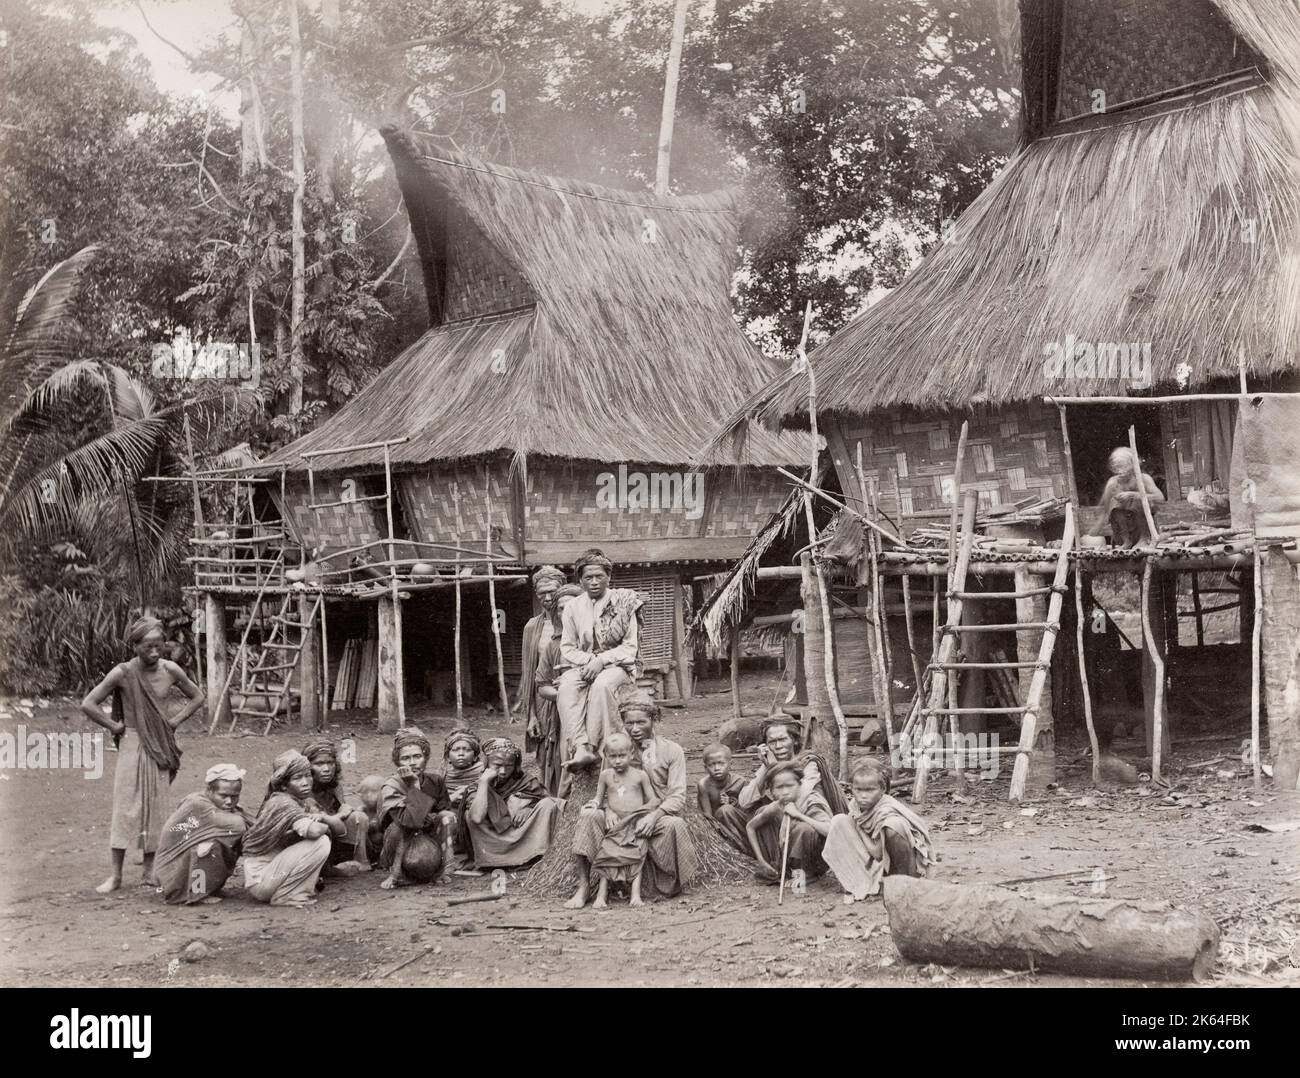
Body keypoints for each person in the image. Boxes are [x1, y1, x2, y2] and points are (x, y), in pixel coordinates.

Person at [81, 615, 205, 893]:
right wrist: (114, 725)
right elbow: (88, 703)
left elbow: (197, 696)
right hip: (132, 743)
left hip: (159, 743)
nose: (153, 651)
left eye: (158, 645)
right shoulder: (123, 672)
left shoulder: (171, 670)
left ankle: (149, 872)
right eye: (147, 646)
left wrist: (173, 722)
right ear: (134, 646)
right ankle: (116, 876)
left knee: (156, 807)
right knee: (125, 807)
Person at [567, 691, 698, 908]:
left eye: (641, 722)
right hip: (618, 816)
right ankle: (583, 887)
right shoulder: (617, 748)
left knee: (676, 825)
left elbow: (677, 795)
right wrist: (607, 809)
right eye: (630, 723)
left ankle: (660, 885)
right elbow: (608, 785)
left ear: (654, 720)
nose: (635, 729)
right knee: (589, 815)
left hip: (652, 814)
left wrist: (654, 816)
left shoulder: (671, 751)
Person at [557, 549, 643, 770]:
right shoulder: (572, 608)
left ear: (609, 577)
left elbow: (630, 647)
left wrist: (601, 661)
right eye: (588, 578)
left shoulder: (624, 602)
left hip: (619, 664)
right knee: (566, 686)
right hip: (585, 663)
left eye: (599, 576)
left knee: (602, 685)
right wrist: (590, 661)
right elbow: (568, 647)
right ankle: (581, 746)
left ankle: (599, 747)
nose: (594, 582)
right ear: (580, 580)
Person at [822, 761, 933, 901]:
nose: (863, 795)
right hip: (873, 862)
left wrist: (857, 827)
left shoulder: (886, 809)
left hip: (893, 862)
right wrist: (854, 824)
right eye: (858, 790)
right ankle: (860, 879)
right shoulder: (855, 806)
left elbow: (877, 853)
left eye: (870, 790)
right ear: (851, 789)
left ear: (882, 789)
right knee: (839, 820)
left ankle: (901, 883)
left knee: (894, 825)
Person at [242, 751, 338, 907]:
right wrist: (322, 821)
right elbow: (314, 830)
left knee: (317, 840)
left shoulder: (299, 801)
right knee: (321, 842)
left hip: (271, 876)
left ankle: (292, 891)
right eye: (297, 778)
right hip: (263, 880)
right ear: (284, 785)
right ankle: (286, 895)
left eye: (308, 775)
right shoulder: (283, 804)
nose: (306, 782)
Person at [154, 763, 252, 905]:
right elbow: (239, 826)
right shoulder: (198, 804)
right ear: (209, 790)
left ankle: (206, 888)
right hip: (171, 872)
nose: (229, 801)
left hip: (178, 868)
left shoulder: (216, 805)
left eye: (235, 796)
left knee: (220, 842)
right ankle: (195, 893)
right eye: (223, 795)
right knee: (209, 847)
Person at [465, 737, 562, 869]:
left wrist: (529, 808)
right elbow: (476, 817)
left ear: (515, 765)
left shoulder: (526, 781)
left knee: (549, 804)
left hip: (522, 833)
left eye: (509, 766)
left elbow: (543, 799)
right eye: (497, 765)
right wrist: (483, 784)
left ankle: (532, 855)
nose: (503, 771)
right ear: (487, 763)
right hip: (493, 841)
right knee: (469, 813)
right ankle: (494, 861)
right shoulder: (477, 786)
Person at [377, 728, 456, 889]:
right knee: (399, 827)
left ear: (425, 757)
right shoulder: (391, 786)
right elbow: (408, 822)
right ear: (398, 762)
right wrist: (414, 786)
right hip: (400, 841)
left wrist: (431, 818)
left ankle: (444, 870)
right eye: (406, 758)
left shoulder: (435, 781)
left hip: (427, 837)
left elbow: (442, 810)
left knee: (448, 817)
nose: (412, 762)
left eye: (417, 756)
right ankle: (396, 874)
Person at [588, 731, 659, 909]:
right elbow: (599, 798)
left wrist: (643, 814)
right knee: (607, 855)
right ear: (606, 756)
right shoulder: (605, 775)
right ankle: (601, 896)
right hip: (616, 826)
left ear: (631, 754)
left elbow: (654, 800)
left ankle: (635, 895)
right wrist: (607, 809)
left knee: (637, 856)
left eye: (622, 756)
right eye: (613, 757)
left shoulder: (640, 775)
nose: (618, 761)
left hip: (635, 824)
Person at [531, 583, 584, 796]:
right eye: (561, 608)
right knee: (565, 759)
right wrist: (565, 694)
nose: (566, 612)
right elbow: (542, 685)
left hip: (597, 710)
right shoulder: (554, 646)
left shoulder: (602, 639)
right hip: (563, 716)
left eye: (572, 606)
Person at [517, 567, 567, 790]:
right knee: (547, 750)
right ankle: (552, 796)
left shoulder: (575, 621)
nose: (547, 598)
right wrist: (531, 717)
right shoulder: (532, 627)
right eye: (541, 593)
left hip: (571, 692)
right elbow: (529, 675)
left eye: (553, 592)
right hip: (543, 698)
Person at [745, 761, 833, 886]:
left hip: (818, 858)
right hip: (791, 856)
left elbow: (830, 830)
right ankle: (784, 869)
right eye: (779, 788)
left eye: (790, 786)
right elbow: (750, 827)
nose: (785, 792)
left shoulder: (811, 800)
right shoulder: (776, 806)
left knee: (803, 828)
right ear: (772, 791)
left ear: (800, 784)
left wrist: (798, 815)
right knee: (763, 814)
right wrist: (761, 860)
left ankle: (807, 875)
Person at [737, 719, 847, 818]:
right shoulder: (769, 763)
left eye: (783, 739)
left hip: (809, 822)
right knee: (733, 812)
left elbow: (799, 800)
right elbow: (744, 802)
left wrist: (775, 768)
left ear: (794, 740)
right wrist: (767, 767)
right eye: (772, 742)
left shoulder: (807, 763)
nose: (778, 746)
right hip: (784, 820)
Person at [303, 737, 369, 874]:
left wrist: (343, 810)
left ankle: (362, 861)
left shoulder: (334, 785)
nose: (326, 769)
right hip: (313, 836)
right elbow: (319, 820)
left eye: (330, 763)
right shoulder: (303, 787)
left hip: (333, 831)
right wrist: (339, 815)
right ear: (308, 766)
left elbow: (343, 807)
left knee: (359, 817)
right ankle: (325, 869)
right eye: (319, 764)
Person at [1089, 447, 1164, 547]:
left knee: (1139, 500)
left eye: (1123, 467)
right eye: (1116, 468)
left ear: (1132, 465)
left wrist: (1134, 495)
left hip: (1145, 529)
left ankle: (1144, 539)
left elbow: (1160, 498)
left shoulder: (1143, 479)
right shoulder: (1113, 483)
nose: (1120, 471)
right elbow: (1105, 509)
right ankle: (1126, 541)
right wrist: (1094, 530)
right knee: (1114, 503)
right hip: (1124, 530)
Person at [696, 743, 751, 855]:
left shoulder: (740, 782)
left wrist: (732, 803)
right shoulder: (704, 785)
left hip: (742, 828)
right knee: (723, 811)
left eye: (721, 763)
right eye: (711, 765)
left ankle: (746, 849)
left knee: (726, 810)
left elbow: (749, 812)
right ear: (705, 768)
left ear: (730, 764)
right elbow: (707, 816)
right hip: (718, 829)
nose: (717, 768)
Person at [442, 728, 484, 864]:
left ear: (476, 755)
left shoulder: (484, 773)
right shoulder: (442, 775)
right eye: (456, 750)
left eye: (466, 750)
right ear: (448, 756)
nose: (461, 754)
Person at [356, 775, 387, 867]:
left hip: (385, 849)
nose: (368, 796)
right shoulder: (361, 810)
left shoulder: (386, 810)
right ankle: (364, 860)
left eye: (374, 791)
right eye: (365, 792)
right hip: (369, 849)